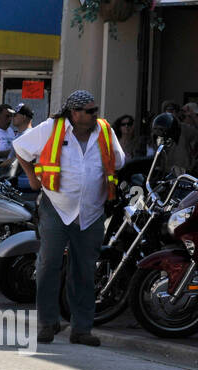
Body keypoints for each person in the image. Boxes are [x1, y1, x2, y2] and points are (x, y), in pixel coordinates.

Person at [13, 89, 122, 346]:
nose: (96, 114)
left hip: (92, 211)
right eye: (90, 111)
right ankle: (47, 323)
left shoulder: (104, 131)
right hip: (56, 207)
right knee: (48, 265)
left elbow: (118, 161)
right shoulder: (52, 127)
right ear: (75, 113)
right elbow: (20, 148)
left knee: (84, 270)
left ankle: (81, 329)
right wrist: (31, 176)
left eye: (96, 110)